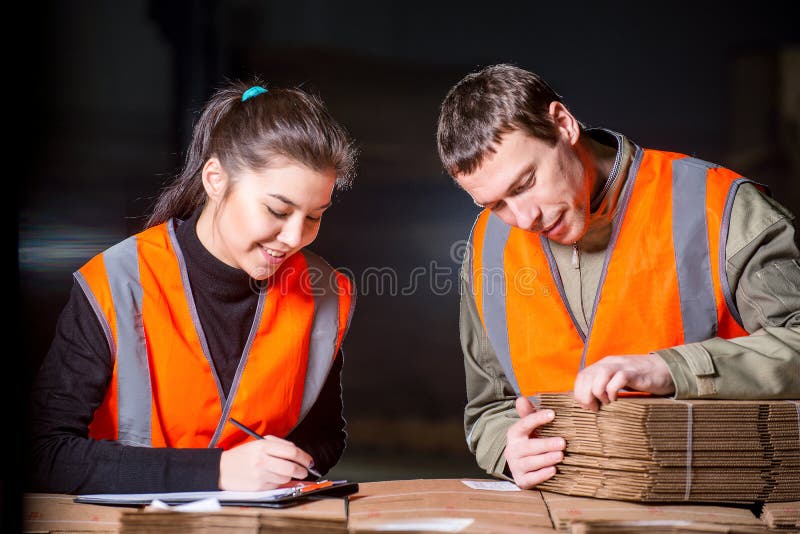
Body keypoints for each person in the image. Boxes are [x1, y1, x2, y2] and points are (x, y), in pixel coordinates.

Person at [436, 64, 800, 490]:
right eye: (496, 204)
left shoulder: (718, 206)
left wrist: (671, 369)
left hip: (716, 499)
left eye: (526, 183)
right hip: (564, 506)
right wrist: (507, 449)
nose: (524, 217)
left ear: (562, 124)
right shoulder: (488, 247)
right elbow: (490, 408)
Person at [27, 80, 357, 494]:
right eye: (278, 210)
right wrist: (216, 472)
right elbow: (42, 453)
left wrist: (278, 469)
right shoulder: (117, 283)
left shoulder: (322, 293)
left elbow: (324, 437)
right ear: (215, 179)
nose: (294, 237)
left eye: (313, 217)